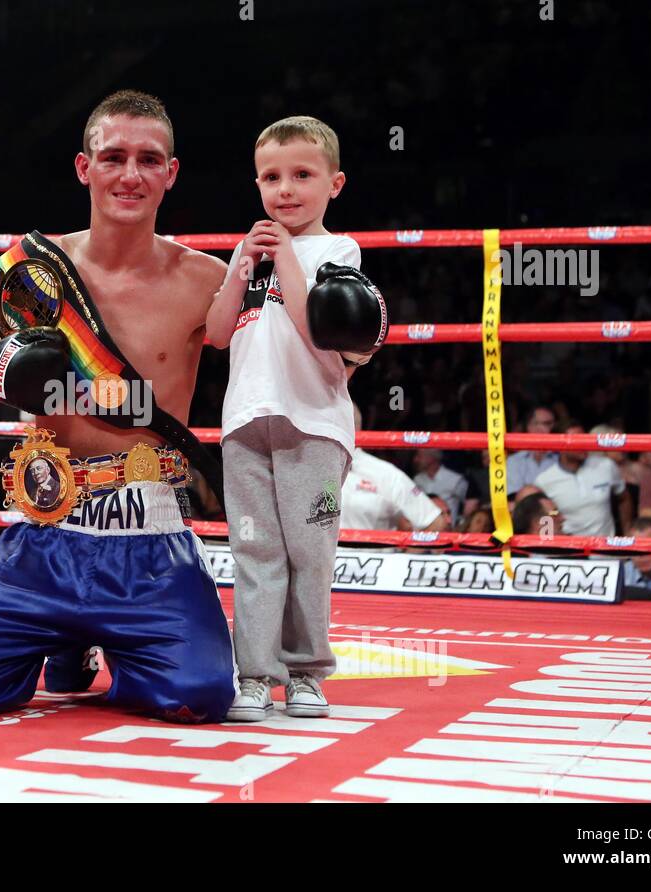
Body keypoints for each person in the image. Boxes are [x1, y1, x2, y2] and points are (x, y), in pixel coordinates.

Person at [0, 90, 237, 723]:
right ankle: (66, 637)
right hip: (46, 532)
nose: (130, 175)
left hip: (150, 541)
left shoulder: (207, 279)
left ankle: (99, 639)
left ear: (170, 174)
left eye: (149, 160)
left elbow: (276, 353)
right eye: (113, 156)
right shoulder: (32, 271)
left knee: (198, 695)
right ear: (82, 167)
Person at [204, 115, 387, 721]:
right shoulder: (247, 252)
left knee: (310, 551)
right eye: (271, 177)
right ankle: (256, 676)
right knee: (255, 552)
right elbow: (215, 334)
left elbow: (323, 335)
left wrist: (284, 258)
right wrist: (238, 267)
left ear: (334, 184)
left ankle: (306, 674)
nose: (284, 190)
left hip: (314, 423)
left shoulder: (339, 250)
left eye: (301, 175)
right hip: (244, 422)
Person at [341, 404, 445, 532]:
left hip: (367, 551)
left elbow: (434, 521)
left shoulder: (385, 474)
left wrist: (407, 552)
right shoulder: (312, 469)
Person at [532, 418, 632, 537]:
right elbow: (546, 515)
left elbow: (624, 498)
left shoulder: (606, 465)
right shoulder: (544, 480)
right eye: (576, 440)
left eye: (585, 439)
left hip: (605, 550)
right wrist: (555, 529)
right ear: (559, 445)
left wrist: (627, 533)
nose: (583, 444)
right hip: (569, 551)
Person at [506, 405, 558, 495]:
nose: (553, 428)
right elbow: (513, 496)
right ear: (531, 426)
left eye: (553, 423)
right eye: (547, 423)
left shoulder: (562, 457)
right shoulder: (514, 461)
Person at [412, 448, 467, 527]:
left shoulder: (455, 479)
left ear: (431, 458)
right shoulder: (417, 480)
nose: (415, 460)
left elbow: (469, 505)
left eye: (419, 456)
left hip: (448, 531)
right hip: (423, 531)